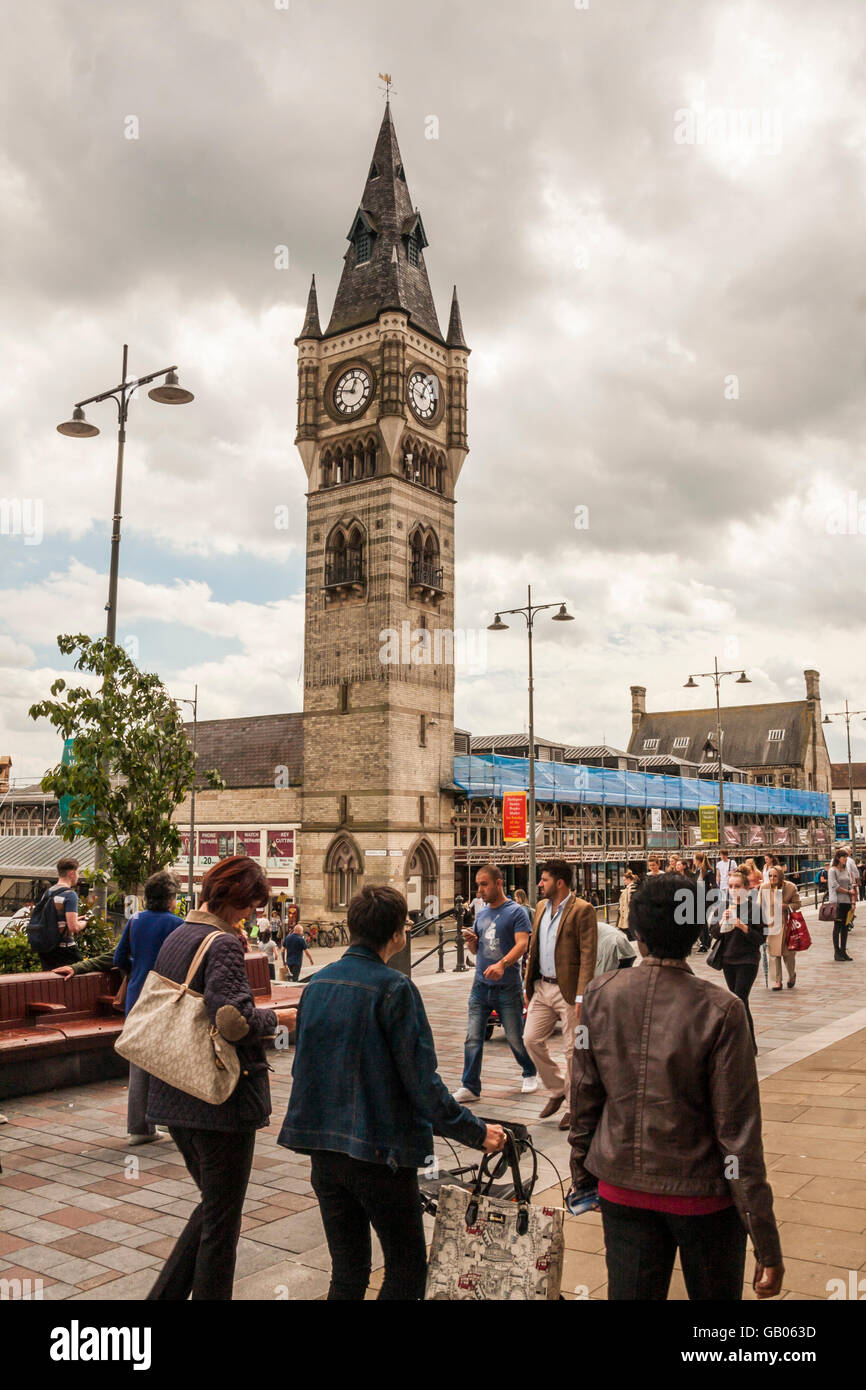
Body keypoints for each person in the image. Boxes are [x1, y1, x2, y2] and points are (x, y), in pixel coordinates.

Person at [278, 884, 505, 1300]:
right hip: (380, 1154)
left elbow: (306, 1069)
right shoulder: (395, 988)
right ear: (398, 935)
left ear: (351, 927)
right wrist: (476, 1133)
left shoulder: (317, 985)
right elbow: (423, 1083)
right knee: (405, 1269)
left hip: (324, 1152)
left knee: (348, 1271)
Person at [569, 872, 783, 1301]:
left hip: (622, 1186)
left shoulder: (598, 994)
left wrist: (583, 1175)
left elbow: (585, 1095)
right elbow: (738, 1134)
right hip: (702, 1194)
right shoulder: (723, 1009)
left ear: (639, 932)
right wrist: (764, 1236)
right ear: (697, 930)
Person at [146, 855, 296, 1301]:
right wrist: (276, 1018)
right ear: (234, 898)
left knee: (214, 1207)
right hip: (218, 1103)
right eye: (251, 903)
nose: (253, 913)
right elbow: (232, 1020)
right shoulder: (223, 942)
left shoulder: (179, 934)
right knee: (222, 1225)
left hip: (174, 1093)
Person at [522, 859, 598, 1130]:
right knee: (530, 1039)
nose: (539, 884)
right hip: (542, 986)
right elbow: (533, 947)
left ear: (560, 882)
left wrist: (581, 996)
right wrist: (527, 986)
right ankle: (557, 1088)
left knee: (572, 1051)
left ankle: (573, 1107)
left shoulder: (582, 910)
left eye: (543, 880)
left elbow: (589, 955)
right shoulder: (541, 907)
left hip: (569, 990)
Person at [111, 870, 185, 1145]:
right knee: (167, 1061)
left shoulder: (135, 920)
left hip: (136, 998)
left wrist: (137, 972)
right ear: (169, 898)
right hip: (164, 1000)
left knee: (139, 1064)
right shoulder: (177, 924)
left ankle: (139, 1128)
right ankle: (168, 1120)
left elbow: (120, 958)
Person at [453, 863, 537, 1103]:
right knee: (472, 1037)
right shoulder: (482, 913)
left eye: (484, 885)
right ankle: (470, 1086)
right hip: (480, 986)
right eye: (478, 885)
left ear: (498, 883)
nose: (479, 890)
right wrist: (471, 944)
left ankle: (530, 1071)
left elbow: (522, 944)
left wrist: (502, 964)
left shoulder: (516, 912)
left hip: (507, 986)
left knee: (514, 1036)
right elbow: (479, 947)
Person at [709, 869, 763, 1053]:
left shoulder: (754, 908)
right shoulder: (724, 906)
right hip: (728, 959)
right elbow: (714, 933)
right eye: (731, 886)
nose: (733, 890)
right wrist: (721, 923)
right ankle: (743, 1042)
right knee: (736, 999)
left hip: (747, 959)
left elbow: (760, 938)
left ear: (747, 888)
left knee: (740, 998)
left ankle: (749, 1043)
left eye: (737, 886)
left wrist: (742, 926)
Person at [31, 857, 84, 970]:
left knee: (50, 984)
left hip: (47, 949)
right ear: (71, 873)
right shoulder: (70, 894)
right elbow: (73, 927)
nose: (78, 876)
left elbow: (54, 919)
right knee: (81, 978)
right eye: (77, 872)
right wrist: (84, 923)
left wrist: (74, 919)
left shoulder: (49, 892)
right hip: (65, 950)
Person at [761, 865, 801, 991]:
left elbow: (798, 904)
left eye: (775, 876)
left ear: (781, 876)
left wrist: (787, 906)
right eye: (770, 876)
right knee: (773, 954)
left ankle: (791, 975)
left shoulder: (790, 887)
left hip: (787, 925)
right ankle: (777, 981)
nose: (772, 878)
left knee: (788, 955)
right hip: (771, 924)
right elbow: (760, 907)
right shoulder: (764, 888)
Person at [828, 849, 855, 962]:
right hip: (837, 902)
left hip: (847, 902)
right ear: (838, 858)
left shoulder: (846, 870)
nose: (845, 859)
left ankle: (843, 950)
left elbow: (851, 885)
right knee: (837, 926)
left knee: (845, 927)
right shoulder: (832, 870)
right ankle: (836, 952)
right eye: (843, 857)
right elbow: (835, 886)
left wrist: (853, 902)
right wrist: (848, 892)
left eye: (846, 857)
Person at [692, 851, 717, 953]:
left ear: (698, 860)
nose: (693, 861)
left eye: (694, 858)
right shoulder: (697, 871)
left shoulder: (708, 872)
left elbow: (713, 886)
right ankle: (706, 939)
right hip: (698, 899)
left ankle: (705, 943)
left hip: (705, 899)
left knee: (701, 921)